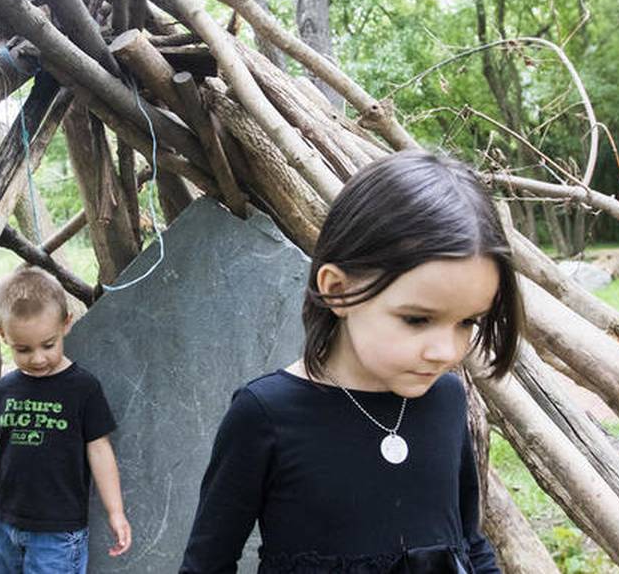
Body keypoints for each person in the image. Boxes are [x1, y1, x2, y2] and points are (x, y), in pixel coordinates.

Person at [180, 151, 522, 574]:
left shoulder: (448, 399)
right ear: (337, 290)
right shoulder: (265, 415)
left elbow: (468, 541)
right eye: (417, 319)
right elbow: (207, 563)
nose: (446, 351)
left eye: (467, 322)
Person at [0, 266, 131, 573]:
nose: (37, 358)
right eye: (23, 349)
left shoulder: (83, 389)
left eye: (48, 345)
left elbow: (99, 451)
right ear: (2, 334)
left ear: (66, 325)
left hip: (57, 532)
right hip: (5, 523)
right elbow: (5, 445)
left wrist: (116, 512)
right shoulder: (6, 388)